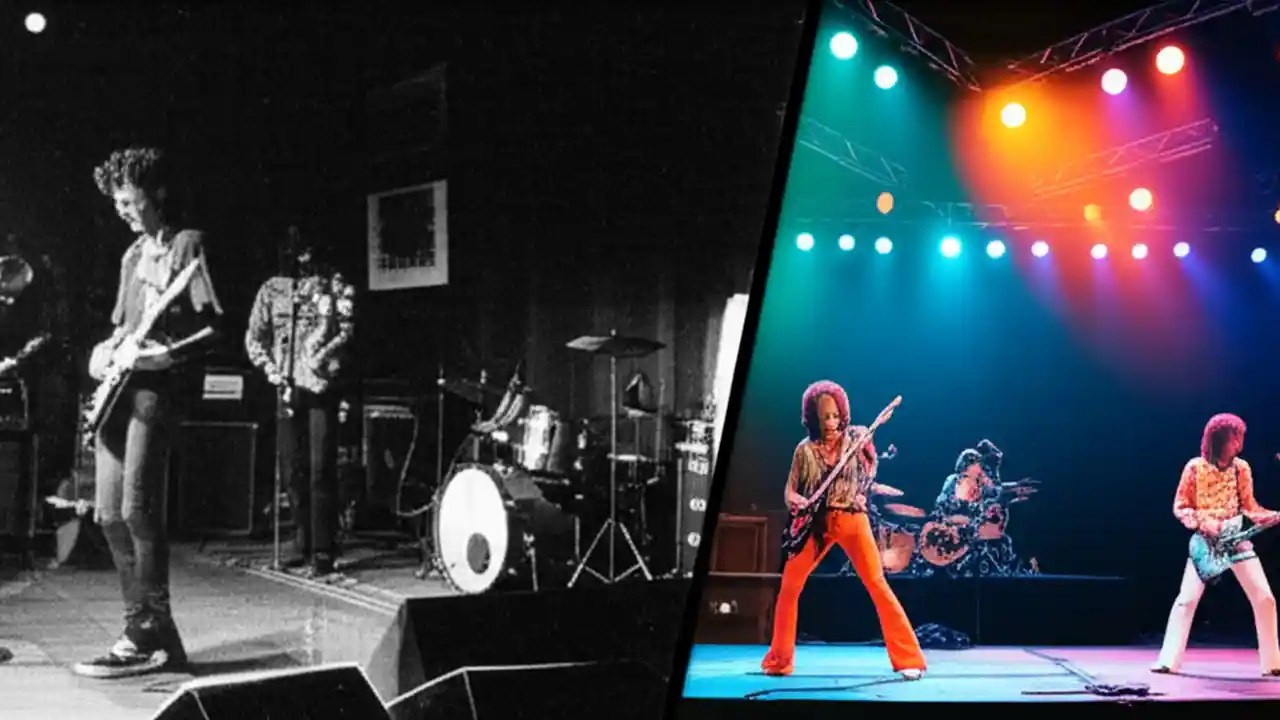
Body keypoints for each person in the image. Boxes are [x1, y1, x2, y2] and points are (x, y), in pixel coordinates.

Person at [72, 147, 223, 679]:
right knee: (109, 514)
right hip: (118, 393)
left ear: (156, 193)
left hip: (155, 393)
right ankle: (150, 632)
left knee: (138, 508)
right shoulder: (132, 256)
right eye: (117, 204)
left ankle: (146, 633)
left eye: (130, 200)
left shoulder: (188, 245)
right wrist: (102, 352)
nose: (125, 212)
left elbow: (213, 329)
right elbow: (122, 326)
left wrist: (165, 355)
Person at [760, 380, 926, 679]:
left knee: (877, 583)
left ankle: (908, 659)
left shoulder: (856, 438)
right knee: (789, 588)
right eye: (825, 417)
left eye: (836, 415)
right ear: (813, 418)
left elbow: (870, 467)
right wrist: (796, 500)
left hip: (853, 519)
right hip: (818, 522)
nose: (832, 423)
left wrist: (867, 446)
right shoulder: (804, 451)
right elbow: (790, 489)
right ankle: (779, 660)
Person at [245, 227, 355, 576]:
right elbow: (254, 336)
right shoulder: (273, 289)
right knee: (292, 469)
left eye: (309, 251)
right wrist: (270, 370)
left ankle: (324, 547)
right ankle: (302, 540)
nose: (304, 259)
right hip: (287, 387)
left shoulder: (336, 285)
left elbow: (348, 335)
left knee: (322, 467)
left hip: (323, 387)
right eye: (298, 251)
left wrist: (330, 364)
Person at [1152, 413, 1280, 676]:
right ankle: (1168, 660)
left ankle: (1273, 663)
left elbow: (1250, 507)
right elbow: (1181, 506)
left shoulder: (1241, 468)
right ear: (1220, 438)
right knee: (1186, 600)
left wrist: (1271, 516)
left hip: (1235, 538)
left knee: (1265, 597)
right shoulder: (1195, 467)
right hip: (1207, 540)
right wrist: (1201, 522)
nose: (1239, 443)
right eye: (1235, 437)